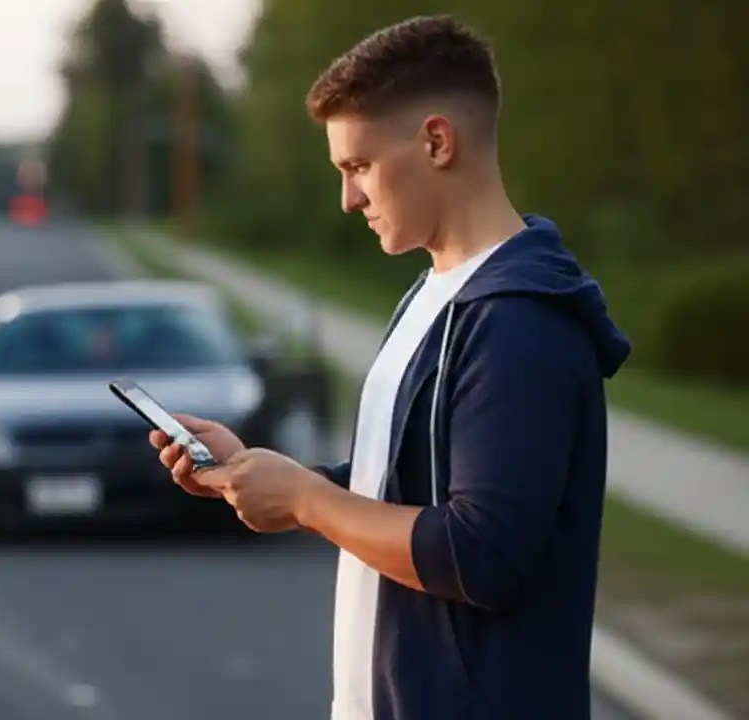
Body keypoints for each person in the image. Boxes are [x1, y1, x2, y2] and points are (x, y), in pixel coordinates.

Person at [151, 15, 631, 720]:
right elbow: (407, 486)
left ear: (436, 141)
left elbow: (482, 554)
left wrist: (307, 503)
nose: (349, 199)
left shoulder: (522, 321)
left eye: (359, 166)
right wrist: (276, 478)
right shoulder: (435, 293)